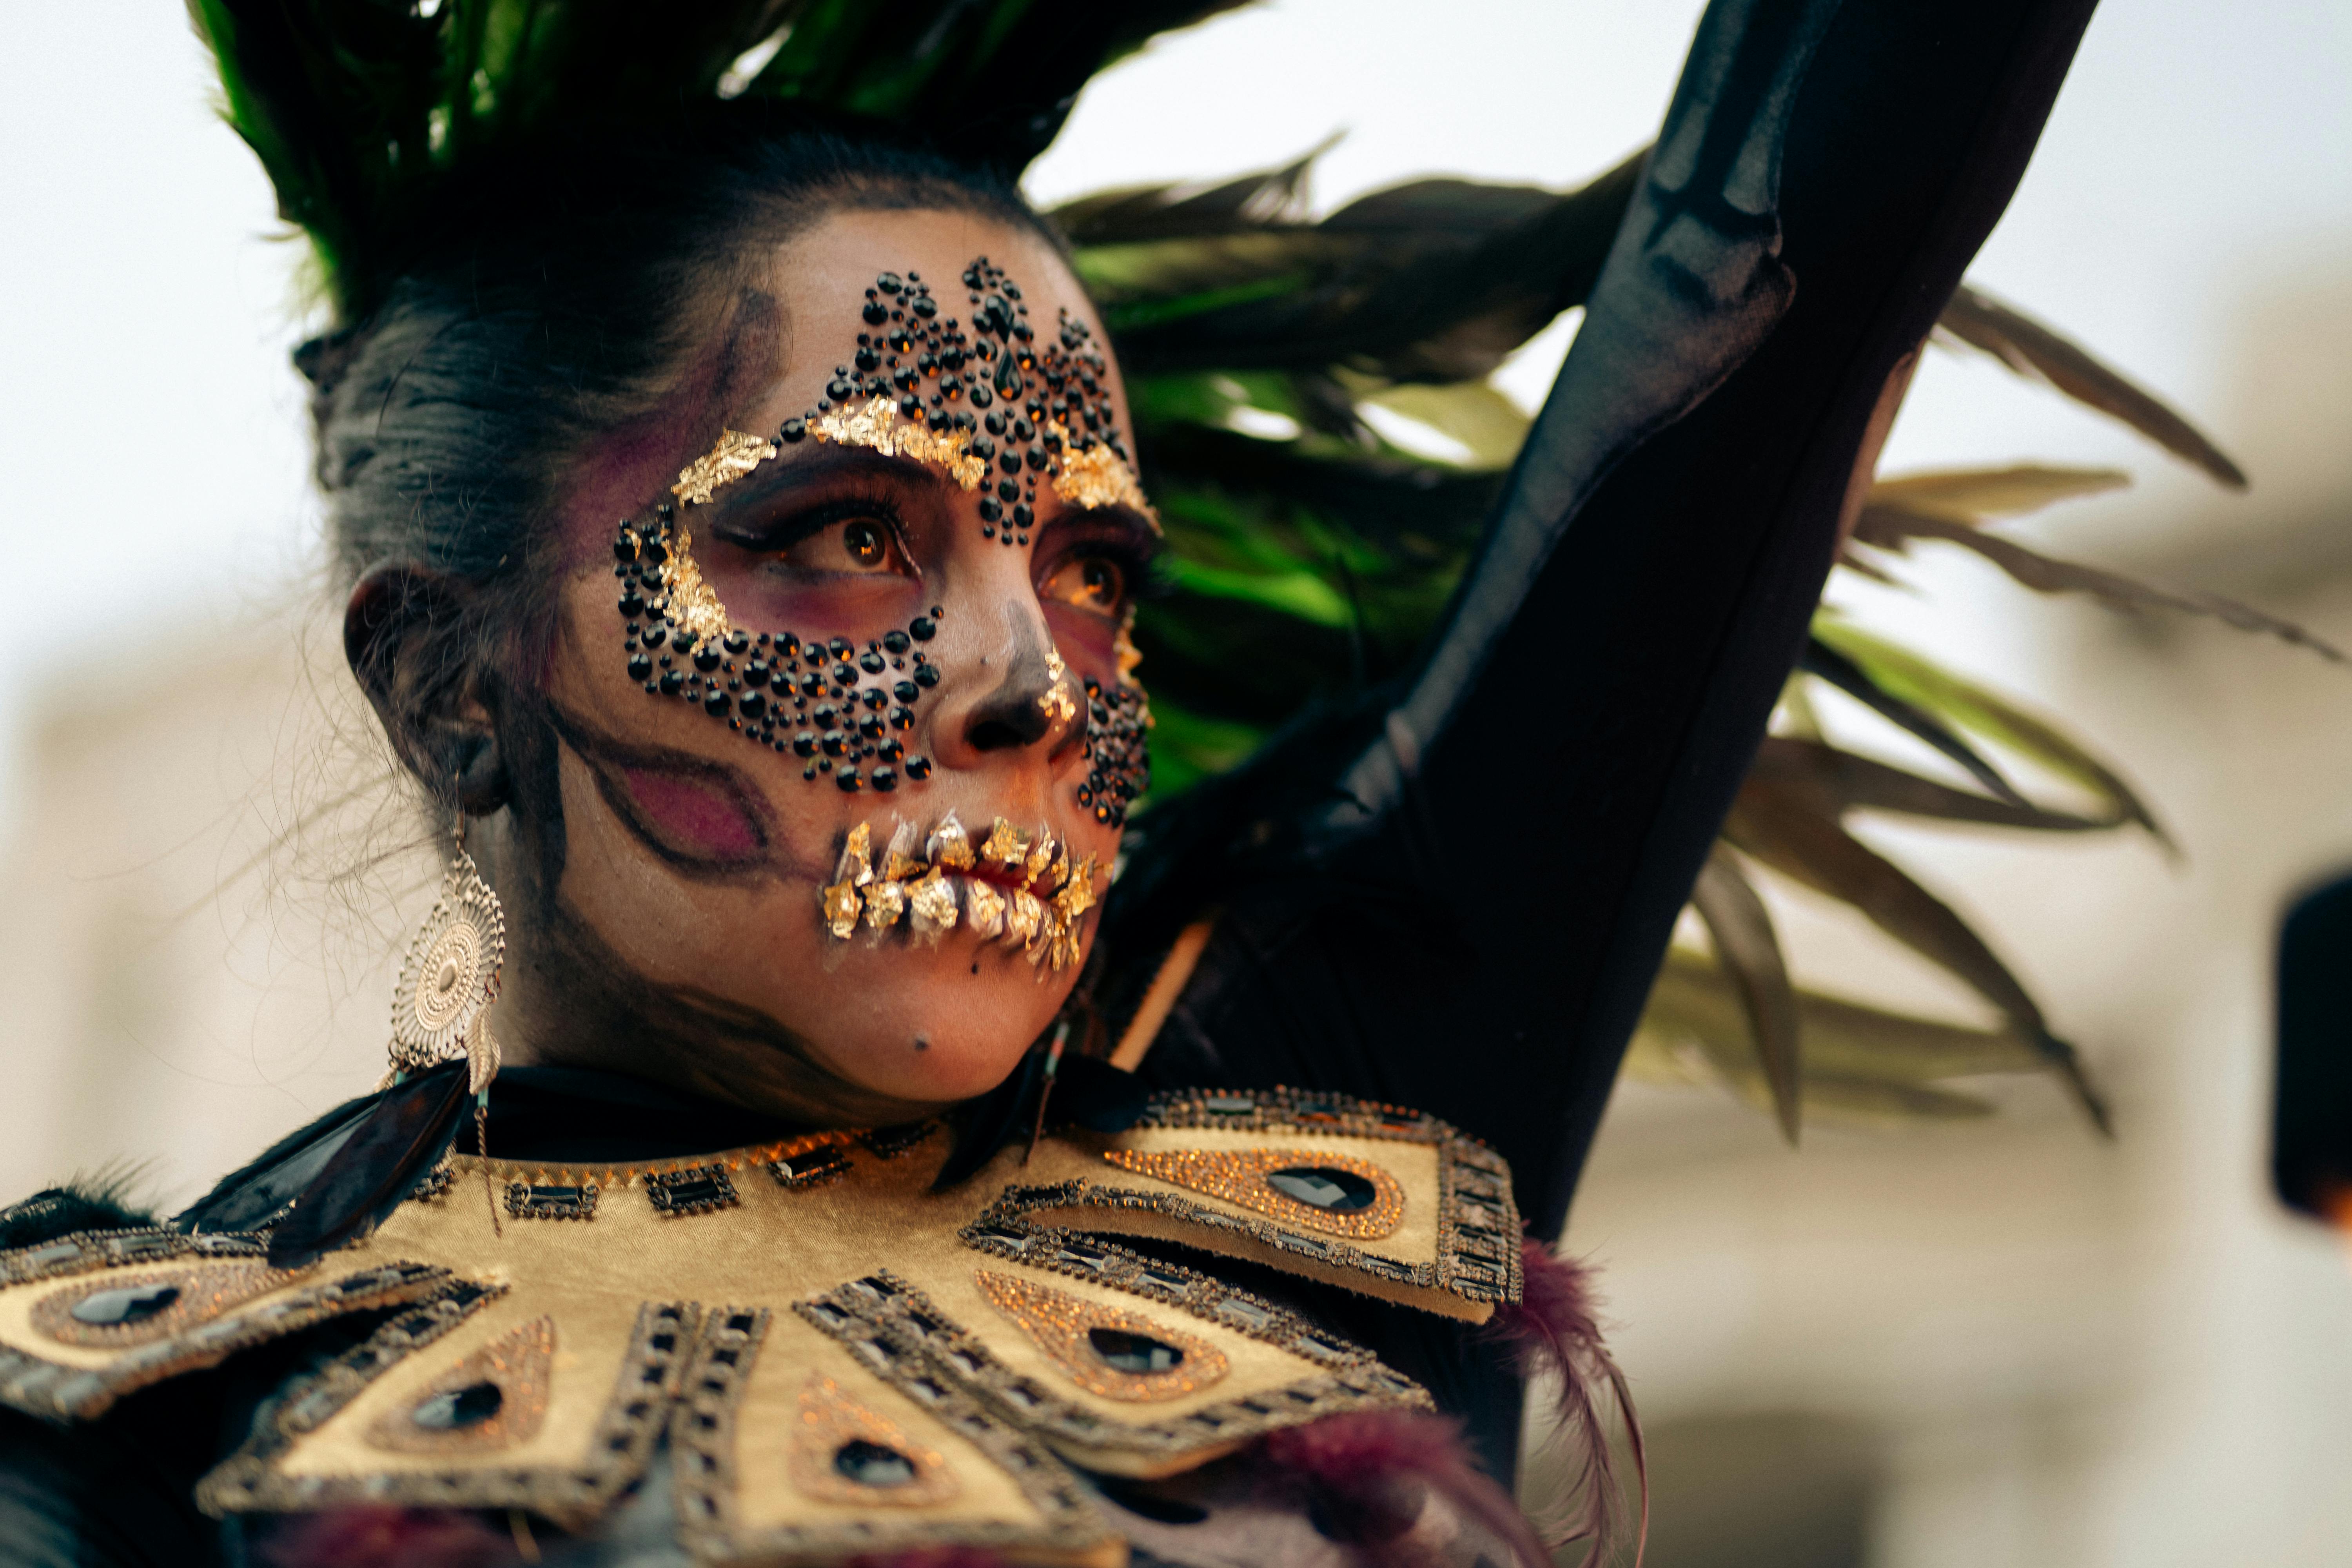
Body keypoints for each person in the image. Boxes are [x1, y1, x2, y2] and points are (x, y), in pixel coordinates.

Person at [0, 0, 2102, 1562]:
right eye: (844, 537)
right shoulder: (112, 1426)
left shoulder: (1294, 1205)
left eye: (1095, 574)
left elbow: (1778, 266)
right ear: (451, 679)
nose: (1030, 682)